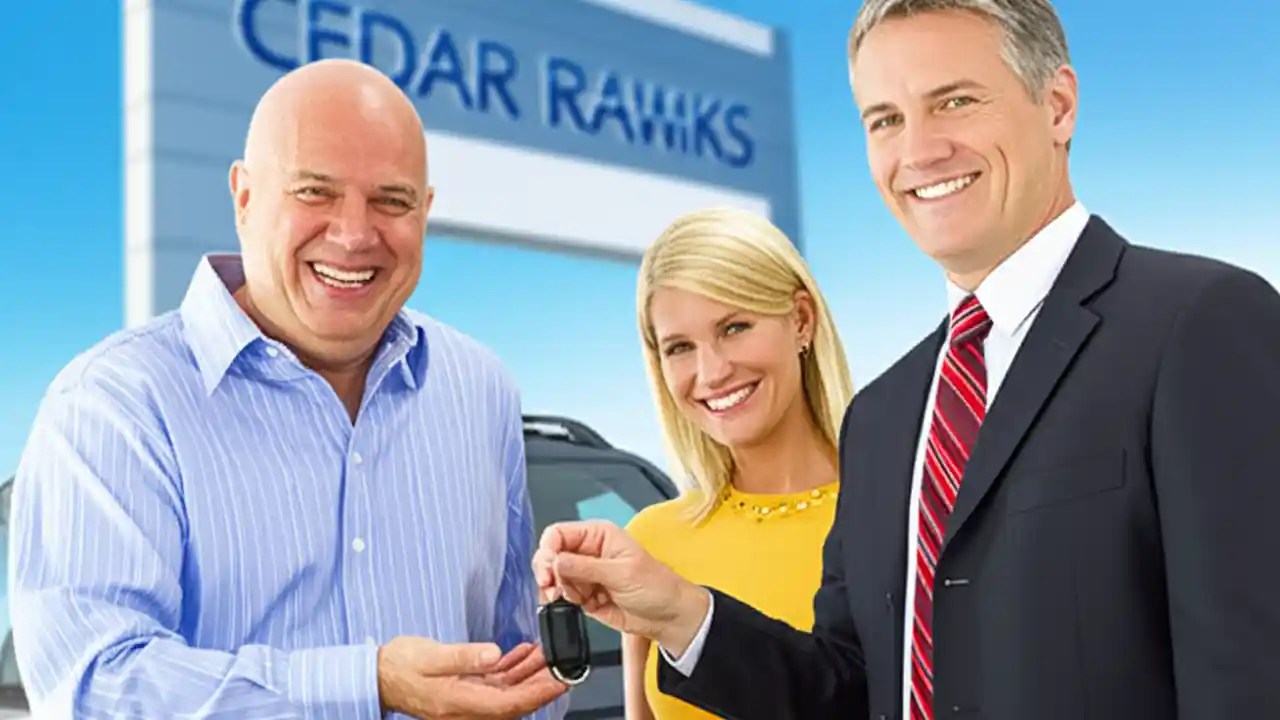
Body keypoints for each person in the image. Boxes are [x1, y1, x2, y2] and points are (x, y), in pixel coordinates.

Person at [533, 1, 1280, 718]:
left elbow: (1251, 676)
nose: (918, 151)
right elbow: (852, 691)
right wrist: (679, 611)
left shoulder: (1199, 324)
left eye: (955, 101)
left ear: (1057, 106)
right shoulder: (886, 417)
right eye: (885, 120)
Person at [9, 59, 568, 720]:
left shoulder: (482, 390)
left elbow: (517, 668)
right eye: (315, 192)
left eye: (391, 200)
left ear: (426, 211)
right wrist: (368, 682)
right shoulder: (114, 406)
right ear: (244, 197)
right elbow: (95, 688)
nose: (355, 234)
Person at [620, 207, 854, 719]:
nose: (711, 372)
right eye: (680, 347)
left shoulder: (899, 517)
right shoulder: (653, 543)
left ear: (801, 319)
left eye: (734, 327)